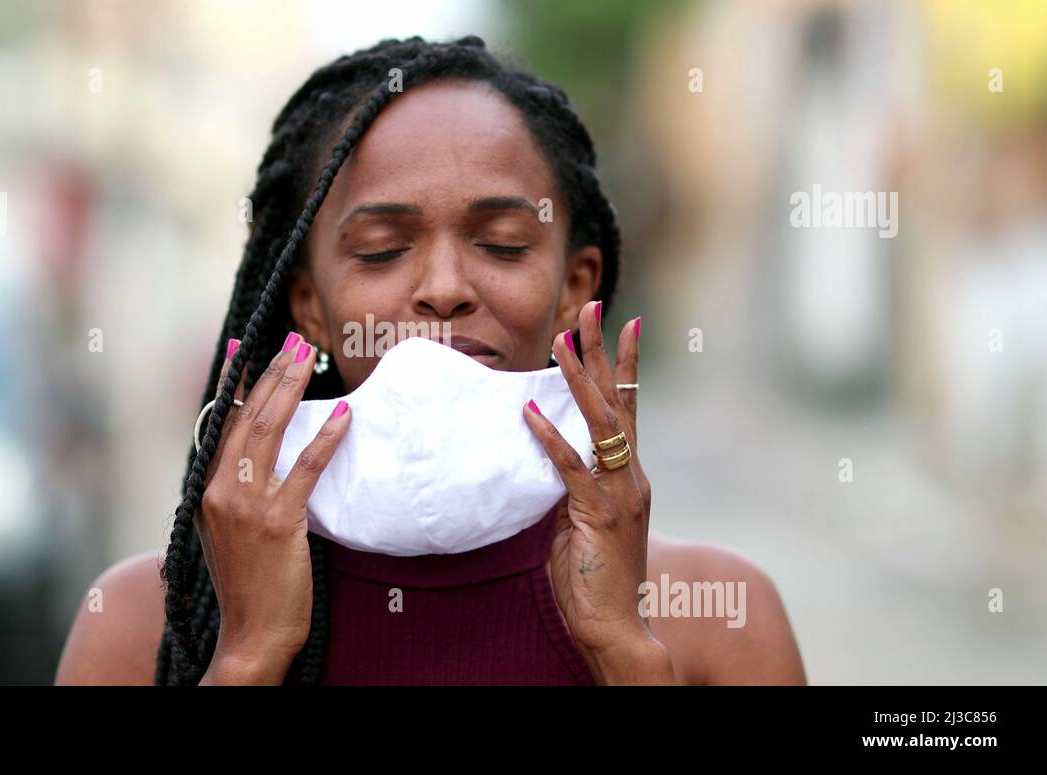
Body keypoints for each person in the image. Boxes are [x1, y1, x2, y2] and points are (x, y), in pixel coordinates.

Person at [55, 36, 806, 686]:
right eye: (382, 250)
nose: (445, 289)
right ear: (310, 304)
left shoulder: (720, 615)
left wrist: (624, 652)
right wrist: (247, 656)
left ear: (574, 288)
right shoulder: (134, 627)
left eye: (503, 243)